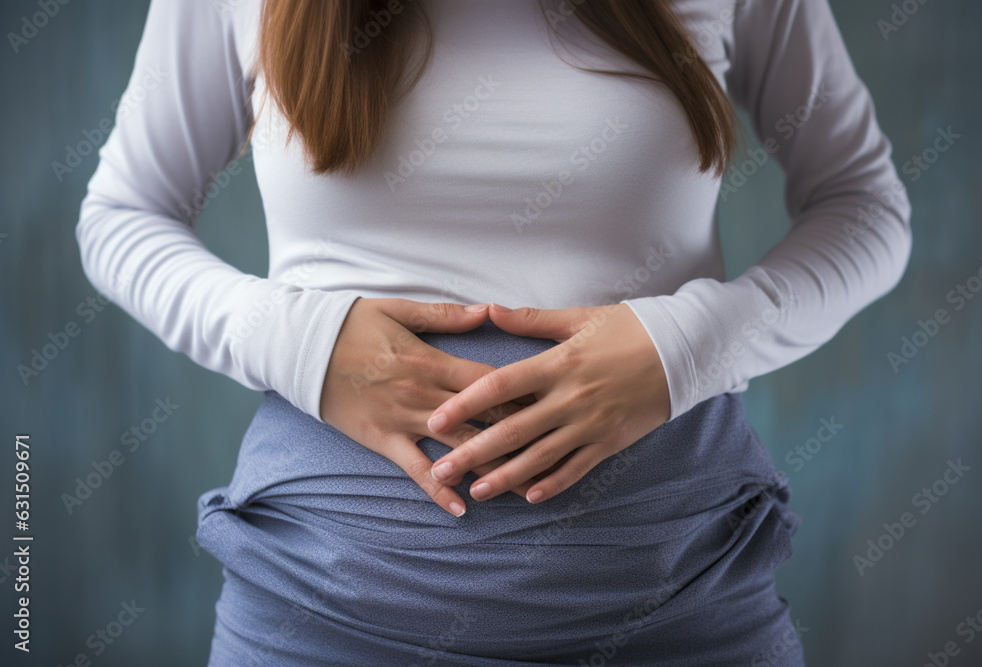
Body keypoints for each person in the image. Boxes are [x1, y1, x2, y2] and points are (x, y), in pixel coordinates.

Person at [75, 0, 912, 664]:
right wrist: (300, 339)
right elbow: (122, 215)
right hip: (315, 624)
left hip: (686, 617)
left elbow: (864, 208)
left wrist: (691, 343)